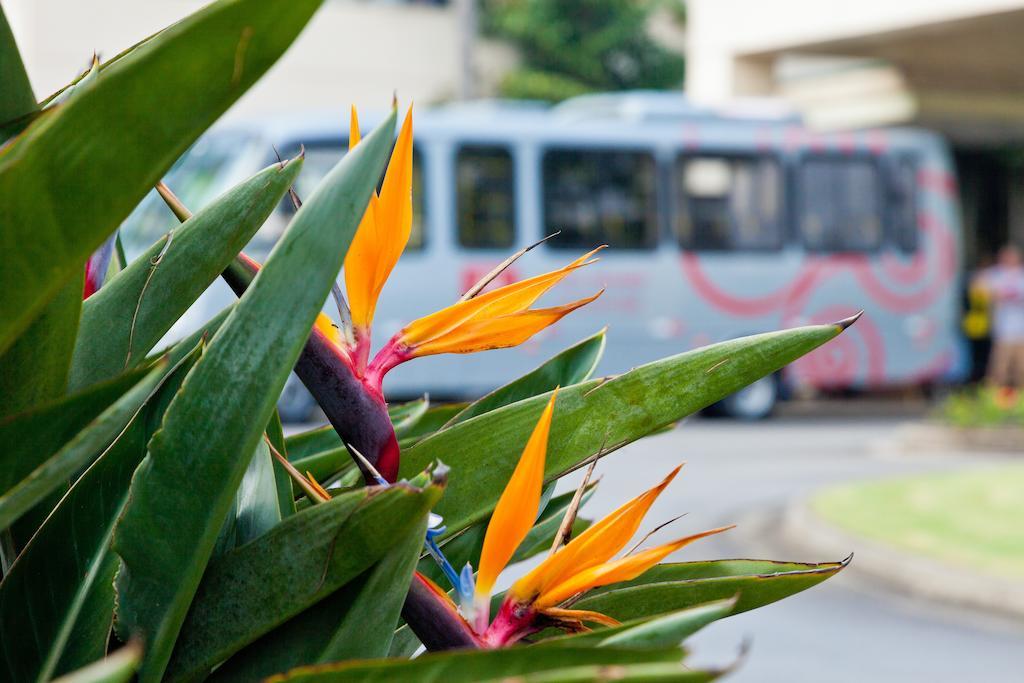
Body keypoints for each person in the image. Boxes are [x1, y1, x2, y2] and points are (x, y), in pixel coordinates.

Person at [975, 243, 1024, 387]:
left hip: (1021, 331)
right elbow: (978, 286)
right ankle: (995, 403)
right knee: (999, 370)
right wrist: (994, 295)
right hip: (1003, 331)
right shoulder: (995, 274)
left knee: (1021, 370)